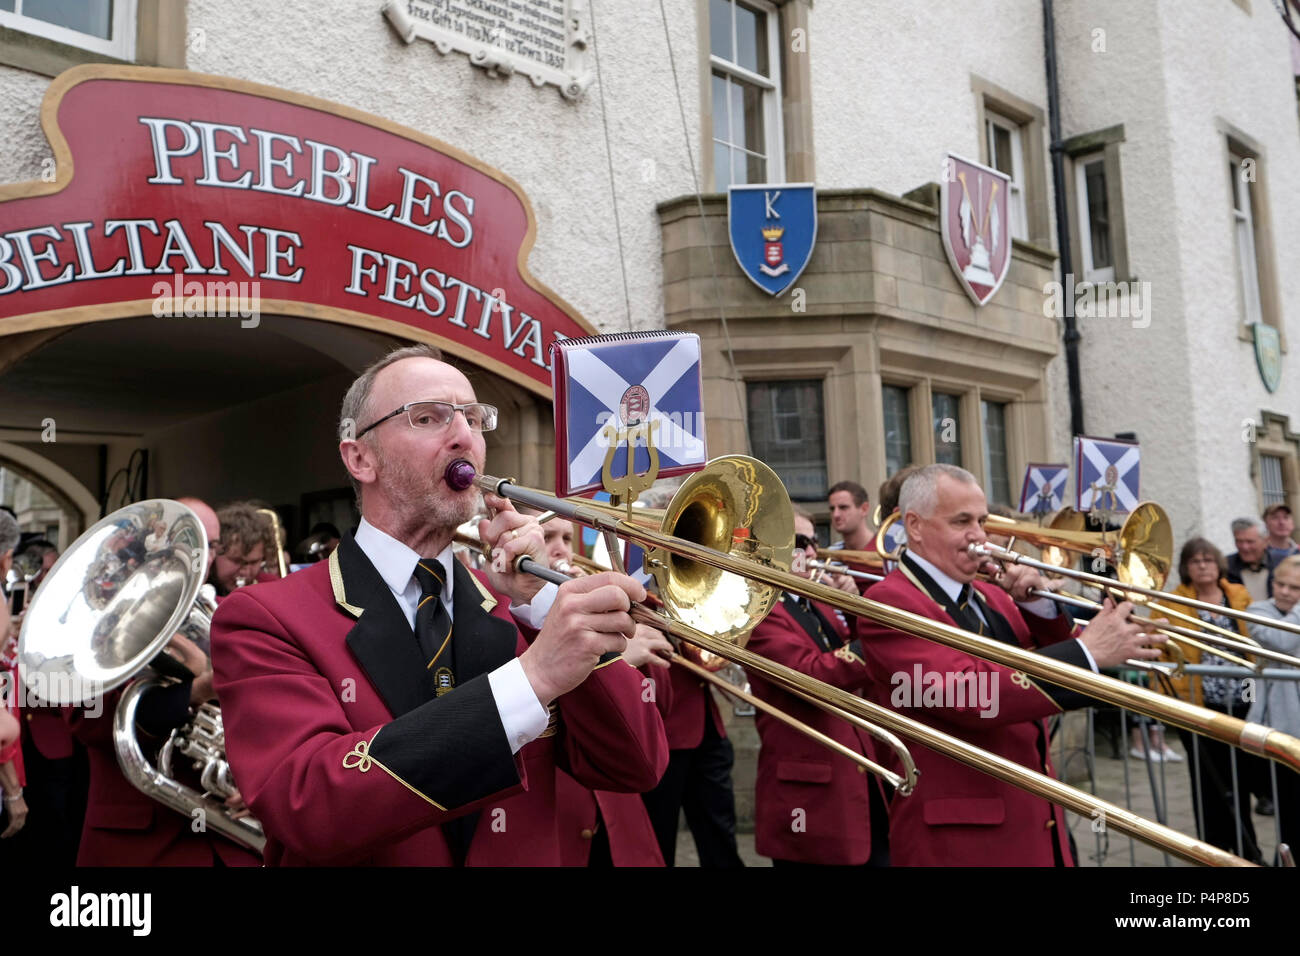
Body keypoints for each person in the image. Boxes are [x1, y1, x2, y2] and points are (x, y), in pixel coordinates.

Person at [210, 344, 667, 865]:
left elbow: (636, 764)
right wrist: (532, 679)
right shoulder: (267, 617)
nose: (464, 436)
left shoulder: (518, 606)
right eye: (428, 417)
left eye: (474, 419)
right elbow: (308, 804)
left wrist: (542, 603)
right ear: (360, 458)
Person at [858, 464, 1160, 866]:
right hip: (962, 841)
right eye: (962, 522)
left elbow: (1048, 665)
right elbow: (971, 696)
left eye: (981, 521)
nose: (980, 537)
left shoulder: (992, 596)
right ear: (914, 525)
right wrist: (1086, 652)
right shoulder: (888, 603)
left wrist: (1040, 605)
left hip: (1036, 818)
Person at [65, 495, 261, 866]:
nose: (201, 558)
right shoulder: (101, 621)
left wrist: (262, 778)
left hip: (232, 839)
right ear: (154, 541)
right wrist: (194, 692)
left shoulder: (230, 612)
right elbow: (85, 719)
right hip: (144, 841)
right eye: (193, 542)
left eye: (211, 546)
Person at [744, 508, 888, 866]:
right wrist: (881, 643)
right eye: (801, 543)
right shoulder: (759, 611)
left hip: (856, 765)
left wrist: (855, 609)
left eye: (815, 542)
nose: (813, 553)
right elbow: (808, 675)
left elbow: (850, 659)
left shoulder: (815, 601)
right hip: (809, 791)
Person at [1158, 537, 1264, 862]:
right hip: (1200, 707)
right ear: (1186, 568)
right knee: (1207, 784)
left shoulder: (1238, 595)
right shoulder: (1172, 602)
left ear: (1219, 564)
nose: (1202, 565)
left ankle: (1247, 850)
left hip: (1242, 704)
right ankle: (1213, 851)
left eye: (1208, 560)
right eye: (1195, 561)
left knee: (1240, 780)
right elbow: (1163, 652)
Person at [1244, 554, 1300, 863]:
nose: (1286, 592)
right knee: (1290, 809)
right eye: (1281, 583)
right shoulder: (1258, 610)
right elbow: (1282, 639)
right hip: (1283, 730)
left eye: (1295, 587)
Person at [209, 503, 274, 596]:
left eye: (254, 562)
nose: (245, 572)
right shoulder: (197, 591)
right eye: (236, 561)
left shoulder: (270, 585)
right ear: (214, 551)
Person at [1226, 517, 1274, 601]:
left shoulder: (1281, 564)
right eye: (1239, 541)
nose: (1244, 547)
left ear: (1266, 541)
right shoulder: (1225, 567)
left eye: (1250, 541)